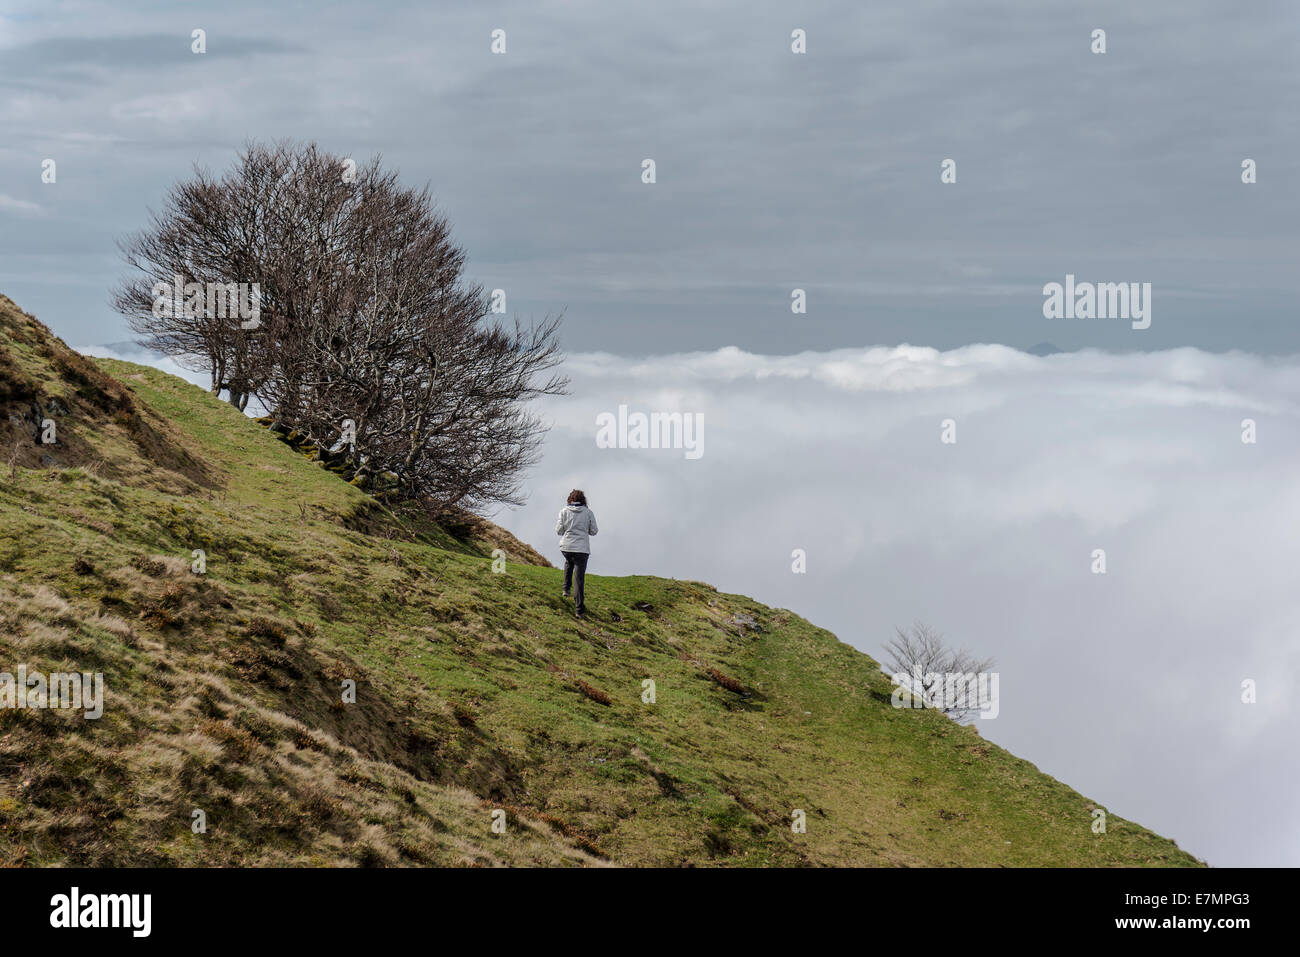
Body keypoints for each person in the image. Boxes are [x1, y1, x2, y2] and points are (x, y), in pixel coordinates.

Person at [555, 489, 598, 618]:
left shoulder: (563, 512)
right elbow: (594, 531)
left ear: (570, 499)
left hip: (566, 546)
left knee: (569, 561)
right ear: (583, 500)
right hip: (581, 549)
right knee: (579, 579)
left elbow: (558, 531)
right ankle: (579, 610)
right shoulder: (588, 513)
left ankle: (566, 589)